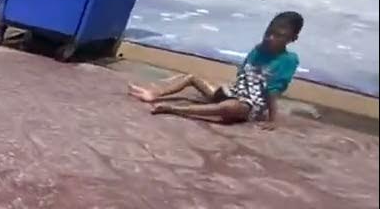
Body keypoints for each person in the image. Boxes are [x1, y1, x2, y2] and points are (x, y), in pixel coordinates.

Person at [128, 11, 304, 130]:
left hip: (249, 106)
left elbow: (273, 91)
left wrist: (272, 120)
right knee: (193, 78)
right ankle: (154, 94)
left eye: (279, 36)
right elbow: (243, 76)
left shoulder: (288, 60)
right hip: (235, 93)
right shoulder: (258, 50)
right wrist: (228, 91)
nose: (270, 38)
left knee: (228, 107)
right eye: (269, 32)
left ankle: (174, 109)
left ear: (293, 38)